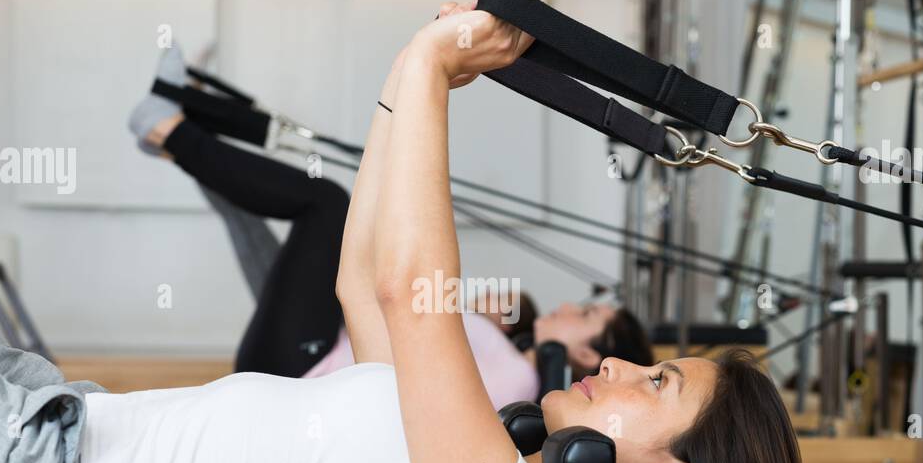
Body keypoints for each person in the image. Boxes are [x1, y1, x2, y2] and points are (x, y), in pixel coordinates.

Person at [0, 0, 803, 463]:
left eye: (658, 379)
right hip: (29, 437)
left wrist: (430, 73)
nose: (623, 364)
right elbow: (357, 270)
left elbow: (409, 296)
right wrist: (411, 71)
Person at [127, 48, 654, 408]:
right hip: (311, 353)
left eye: (584, 315)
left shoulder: (516, 380)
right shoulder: (506, 355)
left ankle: (168, 126)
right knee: (259, 218)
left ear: (588, 353)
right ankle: (176, 134)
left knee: (324, 203)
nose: (569, 306)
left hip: (302, 374)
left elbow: (414, 405)